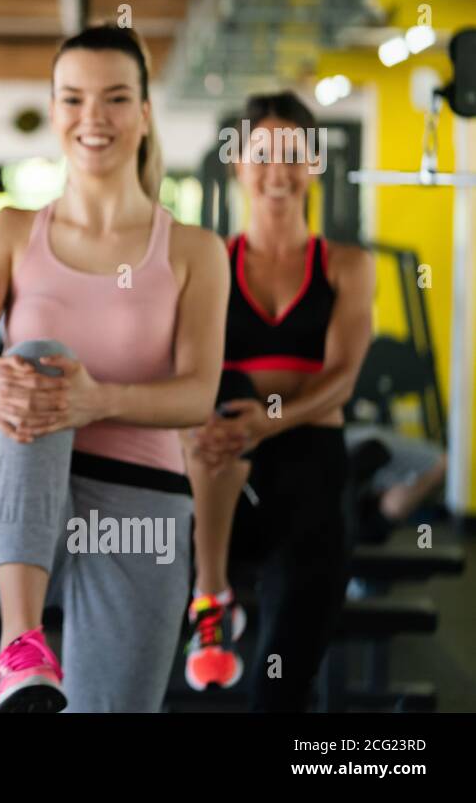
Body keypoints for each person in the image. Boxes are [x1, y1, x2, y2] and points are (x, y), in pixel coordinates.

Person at [0, 24, 229, 712]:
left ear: (145, 112)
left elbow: (197, 395)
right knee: (35, 360)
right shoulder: (11, 231)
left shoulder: (194, 250)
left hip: (139, 501)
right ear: (54, 107)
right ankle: (20, 643)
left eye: (115, 98)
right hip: (5, 501)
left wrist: (95, 401)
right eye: (72, 99)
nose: (91, 118)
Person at [182, 92, 374, 710]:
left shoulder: (347, 265)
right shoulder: (210, 261)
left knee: (281, 689)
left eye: (293, 153)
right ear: (238, 163)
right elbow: (187, 368)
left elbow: (343, 376)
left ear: (314, 163)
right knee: (219, 393)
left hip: (309, 473)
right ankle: (212, 594)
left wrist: (268, 424)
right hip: (219, 476)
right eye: (262, 153)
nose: (278, 170)